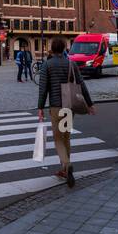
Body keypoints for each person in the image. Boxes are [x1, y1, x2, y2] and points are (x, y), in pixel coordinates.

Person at [37, 37, 95, 187]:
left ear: (52, 48)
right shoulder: (71, 63)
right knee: (66, 137)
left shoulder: (47, 65)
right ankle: (64, 169)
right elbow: (81, 84)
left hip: (56, 107)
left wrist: (40, 108)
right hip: (69, 106)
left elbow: (43, 89)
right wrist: (89, 104)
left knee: (58, 139)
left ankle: (67, 165)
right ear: (63, 48)